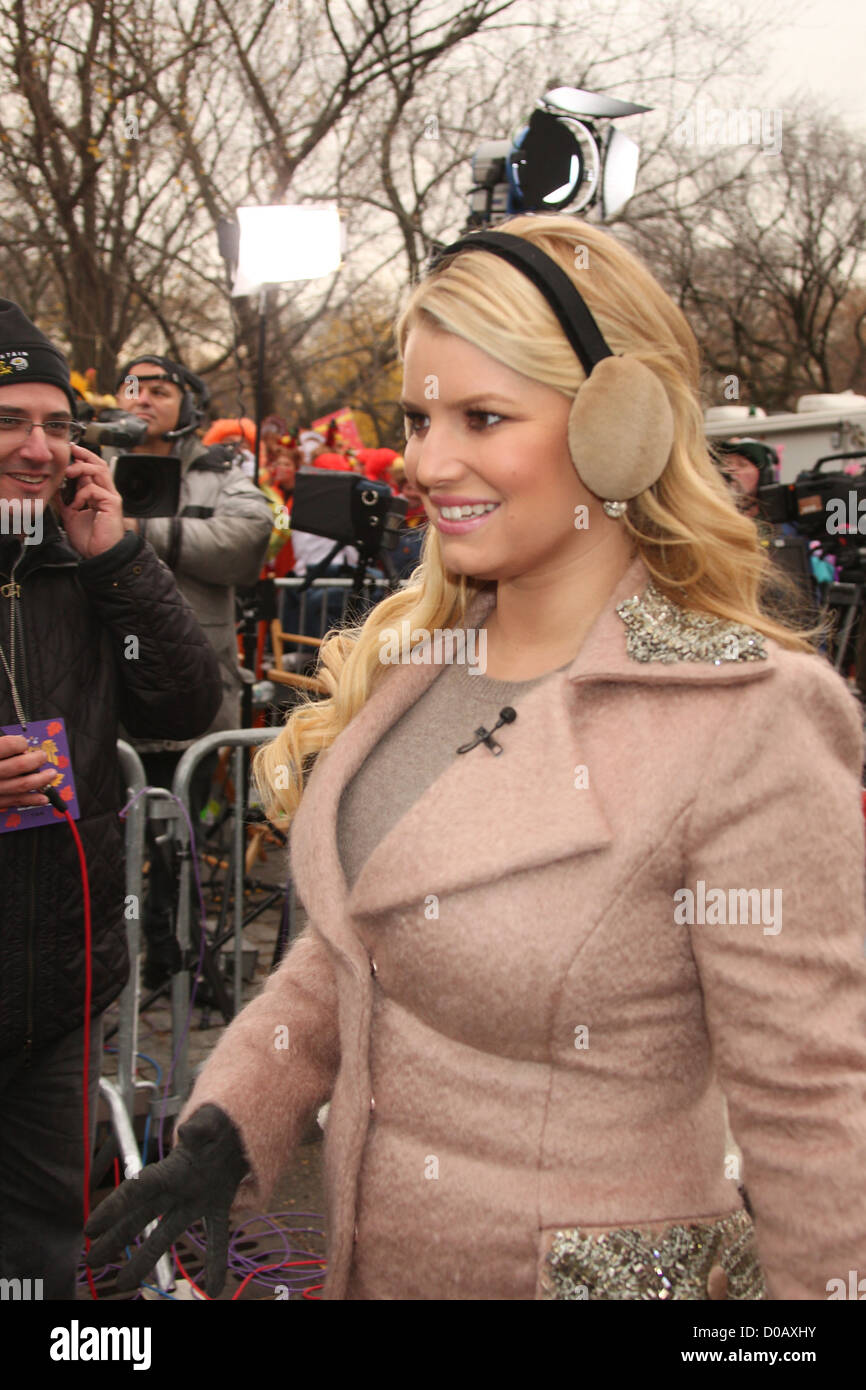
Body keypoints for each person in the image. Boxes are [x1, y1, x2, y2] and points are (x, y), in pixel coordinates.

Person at [87, 215, 866, 1301]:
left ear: (620, 427)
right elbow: (356, 951)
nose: (425, 461)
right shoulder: (420, 662)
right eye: (417, 416)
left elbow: (813, 1112)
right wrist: (230, 1125)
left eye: (482, 417)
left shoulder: (749, 717)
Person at [0, 300, 223, 1299]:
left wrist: (117, 557)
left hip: (58, 981)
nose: (39, 447)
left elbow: (182, 703)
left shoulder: (81, 556)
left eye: (56, 424)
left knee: (51, 1246)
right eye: (10, 420)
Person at [109, 356, 273, 984]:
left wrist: (134, 530)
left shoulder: (219, 468)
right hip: (108, 686)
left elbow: (249, 542)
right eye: (133, 389)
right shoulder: (89, 459)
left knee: (177, 840)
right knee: (106, 839)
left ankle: (174, 962)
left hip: (192, 692)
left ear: (189, 405)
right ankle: (105, 964)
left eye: (160, 390)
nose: (144, 399)